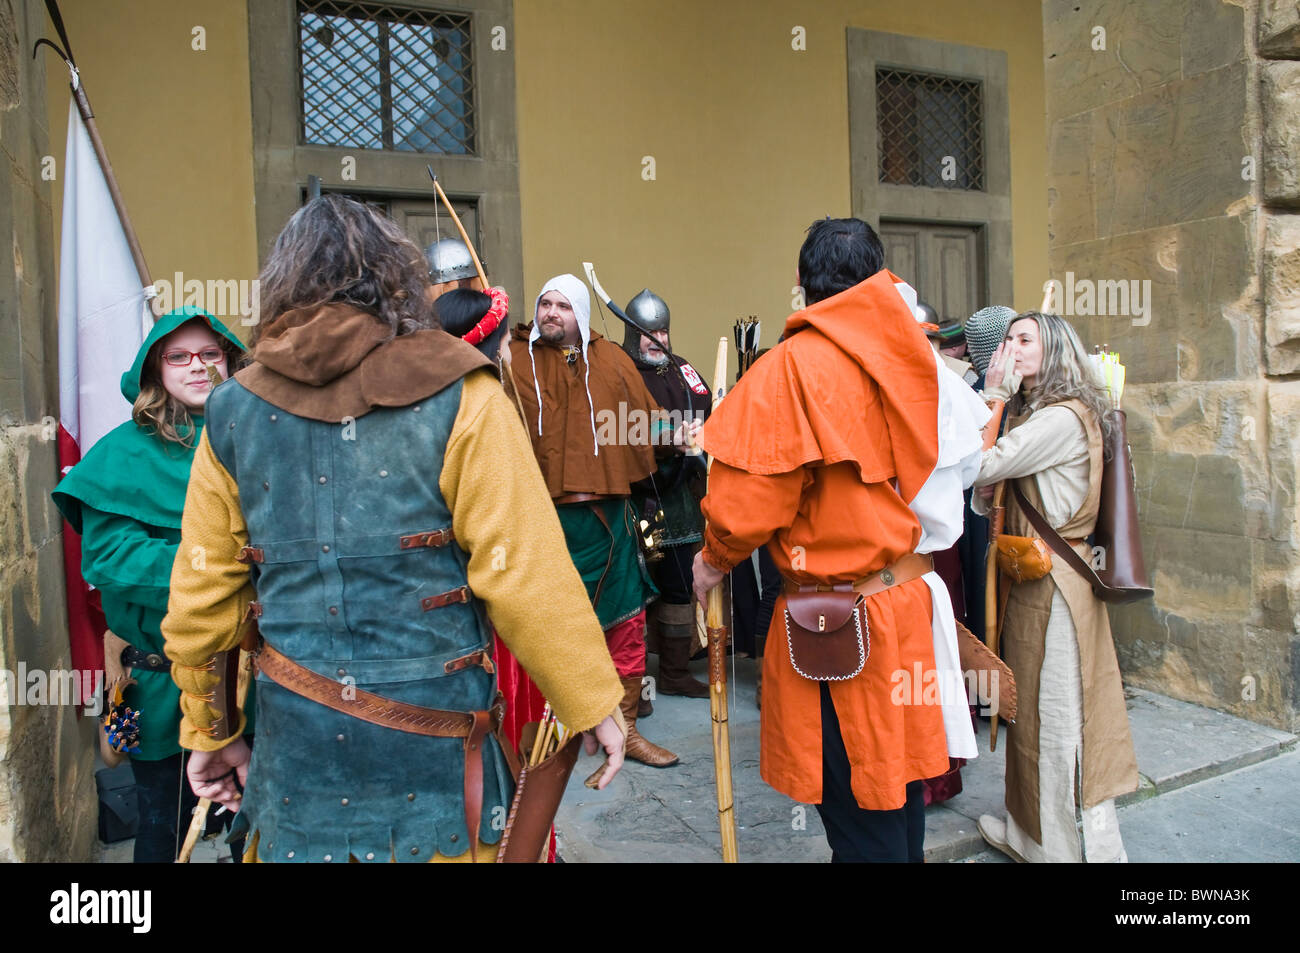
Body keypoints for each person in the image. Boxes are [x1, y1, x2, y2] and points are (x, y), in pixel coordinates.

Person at [161, 195, 627, 863]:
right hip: (440, 767)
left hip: (300, 766)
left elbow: (204, 597)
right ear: (393, 279)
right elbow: (521, 568)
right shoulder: (464, 392)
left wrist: (210, 729)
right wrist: (594, 703)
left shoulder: (234, 409)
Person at [691, 218, 988, 862]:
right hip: (909, 603)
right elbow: (967, 461)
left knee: (860, 802)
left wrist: (713, 559)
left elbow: (748, 506)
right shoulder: (920, 357)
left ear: (801, 284)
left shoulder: (791, 367)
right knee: (900, 786)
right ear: (880, 278)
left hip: (840, 621)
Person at [52, 305, 246, 863]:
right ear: (154, 370)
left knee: (253, 825)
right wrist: (221, 567)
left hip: (252, 680)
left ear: (230, 363)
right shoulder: (122, 452)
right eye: (178, 356)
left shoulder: (260, 439)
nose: (197, 366)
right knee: (161, 823)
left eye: (210, 355)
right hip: (153, 683)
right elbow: (112, 559)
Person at [973, 311, 1138, 863]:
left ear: (1056, 352)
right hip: (1038, 579)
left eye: (1025, 340)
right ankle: (1030, 835)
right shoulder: (1041, 414)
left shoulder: (1061, 419)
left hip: (1057, 587)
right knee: (1031, 714)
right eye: (1007, 339)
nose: (1011, 348)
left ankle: (1071, 852)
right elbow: (994, 488)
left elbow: (977, 465)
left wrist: (993, 393)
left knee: (1061, 721)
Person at [507, 274, 680, 768]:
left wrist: (684, 433)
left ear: (580, 314)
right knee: (544, 629)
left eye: (562, 306)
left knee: (625, 626)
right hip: (543, 519)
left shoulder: (611, 362)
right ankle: (546, 736)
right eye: (545, 304)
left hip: (608, 516)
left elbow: (646, 423)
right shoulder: (513, 361)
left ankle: (626, 729)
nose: (550, 313)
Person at [622, 289, 712, 699]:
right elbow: (617, 429)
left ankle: (675, 671)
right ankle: (633, 679)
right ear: (632, 332)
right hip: (641, 498)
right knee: (639, 587)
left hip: (681, 498)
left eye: (662, 331)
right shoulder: (620, 373)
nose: (656, 339)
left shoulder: (683, 369)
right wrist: (665, 438)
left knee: (679, 583)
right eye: (647, 332)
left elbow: (706, 404)